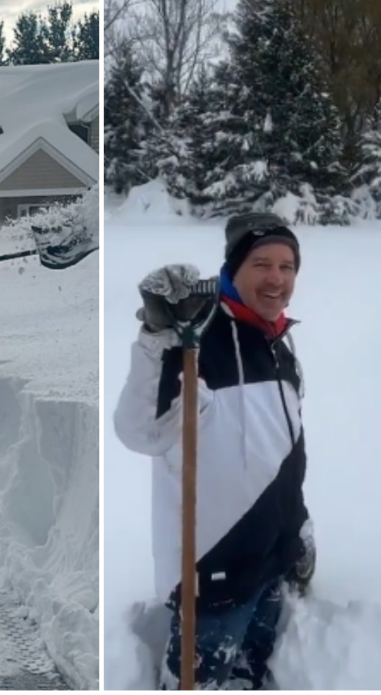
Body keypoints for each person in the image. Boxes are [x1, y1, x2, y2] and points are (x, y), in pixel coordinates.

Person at [113, 211, 316, 690]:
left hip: (272, 560)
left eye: (287, 267)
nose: (276, 279)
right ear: (231, 269)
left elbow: (282, 452)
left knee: (251, 676)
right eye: (261, 264)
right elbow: (139, 431)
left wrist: (299, 527)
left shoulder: (278, 342)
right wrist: (158, 338)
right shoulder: (194, 339)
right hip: (215, 574)